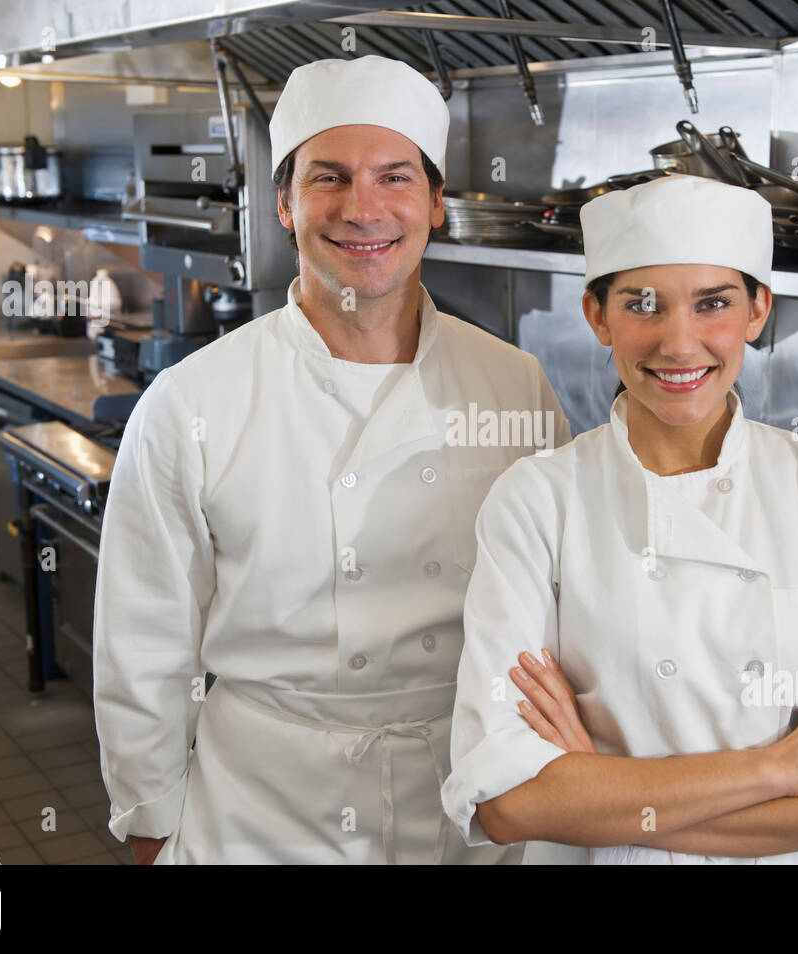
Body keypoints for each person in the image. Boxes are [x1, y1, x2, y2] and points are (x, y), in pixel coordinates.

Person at [93, 55, 571, 864]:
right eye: (329, 178)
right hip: (261, 809)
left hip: (466, 804)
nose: (364, 209)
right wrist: (151, 831)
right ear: (285, 203)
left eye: (394, 177)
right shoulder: (191, 403)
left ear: (435, 202)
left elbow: (561, 602)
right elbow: (144, 644)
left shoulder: (511, 383)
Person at [441, 174, 798, 864]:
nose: (679, 343)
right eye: (644, 306)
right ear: (598, 316)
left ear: (758, 310)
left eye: (713, 304)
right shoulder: (537, 501)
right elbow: (508, 801)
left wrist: (599, 797)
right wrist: (788, 768)